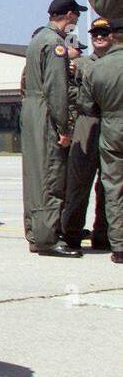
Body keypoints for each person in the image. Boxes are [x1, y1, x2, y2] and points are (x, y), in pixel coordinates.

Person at [22, 0, 86, 258]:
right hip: (45, 109)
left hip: (31, 109)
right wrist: (63, 127)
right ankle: (48, 238)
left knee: (34, 174)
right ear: (69, 15)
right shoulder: (55, 44)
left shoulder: (37, 40)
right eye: (76, 16)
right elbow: (57, 88)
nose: (76, 21)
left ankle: (35, 232)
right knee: (51, 173)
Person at [74, 22, 123, 265]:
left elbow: (86, 105)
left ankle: (119, 245)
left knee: (112, 187)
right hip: (108, 125)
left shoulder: (96, 69)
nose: (100, 37)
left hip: (110, 128)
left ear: (113, 37)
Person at [63, 18, 112, 250]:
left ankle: (103, 233)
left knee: (108, 184)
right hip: (86, 121)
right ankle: (71, 233)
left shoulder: (116, 64)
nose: (99, 37)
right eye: (95, 33)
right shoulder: (80, 63)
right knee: (79, 181)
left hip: (111, 123)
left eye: (104, 33)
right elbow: (67, 92)